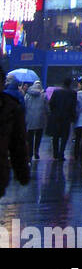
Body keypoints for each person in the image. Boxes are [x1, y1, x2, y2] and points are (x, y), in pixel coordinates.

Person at [0, 63, 30, 198]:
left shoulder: (9, 106)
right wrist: (22, 172)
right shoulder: (10, 106)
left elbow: (17, 142)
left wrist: (21, 171)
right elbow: (18, 143)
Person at [48, 76, 77, 161]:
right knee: (65, 136)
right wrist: (73, 116)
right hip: (66, 117)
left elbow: (51, 103)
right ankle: (61, 153)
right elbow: (73, 106)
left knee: (55, 136)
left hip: (56, 116)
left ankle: (55, 153)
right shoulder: (73, 93)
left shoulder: (56, 92)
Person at [23, 80, 48, 160]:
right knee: (38, 136)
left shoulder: (27, 95)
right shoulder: (43, 95)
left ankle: (30, 153)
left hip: (29, 119)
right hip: (40, 119)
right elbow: (47, 107)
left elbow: (24, 106)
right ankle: (36, 151)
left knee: (30, 137)